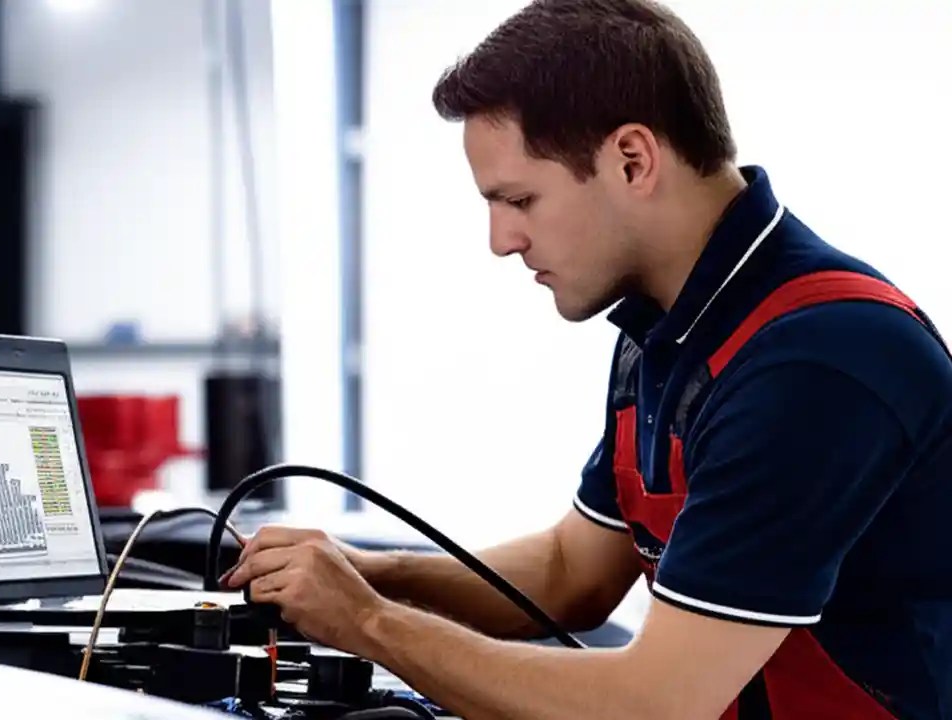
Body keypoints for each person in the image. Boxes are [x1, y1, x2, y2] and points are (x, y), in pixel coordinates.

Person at [222, 0, 952, 717]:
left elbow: (654, 704)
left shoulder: (815, 359)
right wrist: (368, 578)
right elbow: (574, 571)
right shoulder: (667, 328)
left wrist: (370, 623)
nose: (501, 240)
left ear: (631, 159)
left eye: (520, 199)